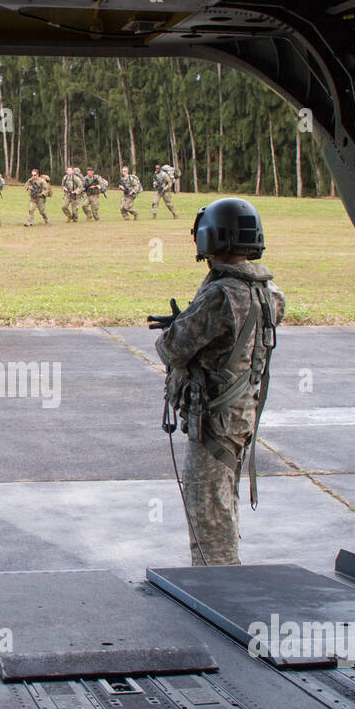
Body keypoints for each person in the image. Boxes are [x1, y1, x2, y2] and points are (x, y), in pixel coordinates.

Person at [150, 198, 284, 565]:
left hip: (214, 423)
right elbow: (234, 340)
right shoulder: (269, 293)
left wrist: (178, 328)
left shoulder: (220, 295)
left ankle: (219, 593)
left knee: (208, 515)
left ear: (210, 240)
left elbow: (171, 349)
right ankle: (224, 581)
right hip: (240, 416)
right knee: (223, 501)